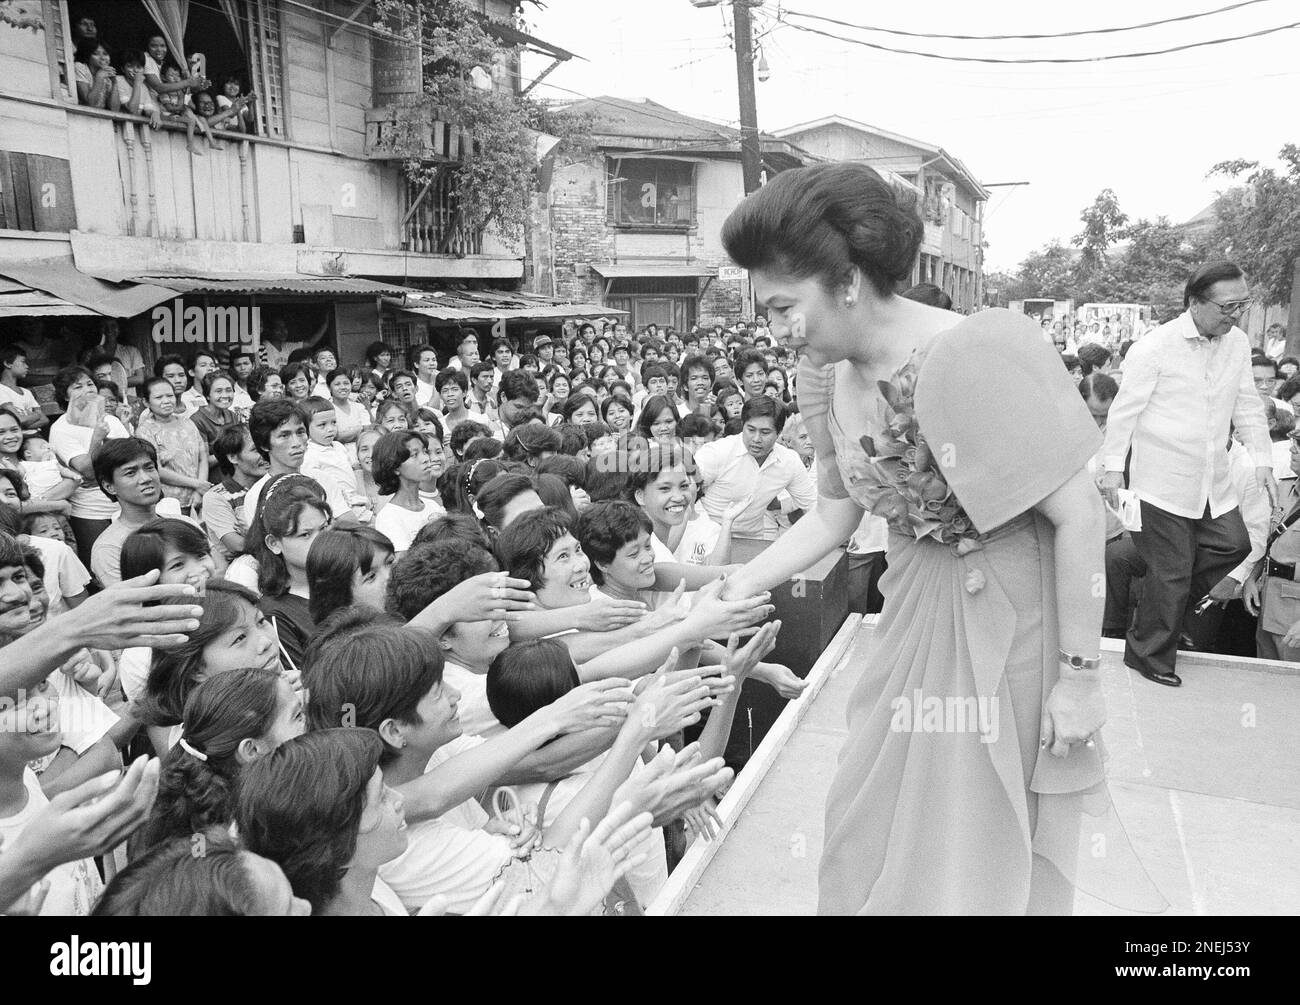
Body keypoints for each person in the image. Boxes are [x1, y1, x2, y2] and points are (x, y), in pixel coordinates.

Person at [717, 161, 1154, 915]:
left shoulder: (979, 353)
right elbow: (832, 515)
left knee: (980, 835)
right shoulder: (826, 379)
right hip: (911, 623)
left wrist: (1081, 679)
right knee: (864, 823)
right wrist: (739, 583)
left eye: (785, 306)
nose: (776, 330)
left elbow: (1079, 514)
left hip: (1010, 635)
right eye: (766, 311)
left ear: (847, 280)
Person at [1100, 262, 1274, 688]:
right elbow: (1124, 414)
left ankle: (1157, 614)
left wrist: (1264, 460)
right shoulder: (1155, 347)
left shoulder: (1236, 344)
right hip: (1161, 482)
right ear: (1195, 303)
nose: (1236, 313)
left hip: (1213, 482)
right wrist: (1111, 471)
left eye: (1242, 304)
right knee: (1172, 572)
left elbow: (1248, 405)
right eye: (1228, 305)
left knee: (1234, 544)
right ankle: (1149, 655)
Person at [692, 396, 815, 538]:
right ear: (743, 425)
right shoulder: (716, 452)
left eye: (765, 432)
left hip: (751, 539)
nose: (756, 439)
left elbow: (811, 505)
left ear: (779, 432)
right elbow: (687, 493)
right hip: (706, 535)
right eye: (751, 430)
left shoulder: (789, 461)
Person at [48, 367, 130, 566]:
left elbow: (129, 457)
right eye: (78, 386)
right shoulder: (61, 428)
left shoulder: (112, 420)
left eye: (90, 383)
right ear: (65, 397)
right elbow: (88, 470)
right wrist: (97, 438)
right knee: (100, 568)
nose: (87, 389)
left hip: (126, 505)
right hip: (90, 512)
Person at [250, 475, 331, 668]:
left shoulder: (346, 581)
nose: (320, 541)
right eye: (305, 534)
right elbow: (302, 685)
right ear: (274, 543)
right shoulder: (274, 614)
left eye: (324, 529)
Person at [134, 376, 210, 515]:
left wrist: (200, 489)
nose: (166, 401)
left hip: (199, 497)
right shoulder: (145, 431)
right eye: (159, 397)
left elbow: (202, 458)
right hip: (170, 504)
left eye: (170, 395)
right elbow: (157, 469)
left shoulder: (188, 423)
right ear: (146, 402)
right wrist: (196, 484)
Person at [201, 424, 267, 562]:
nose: (265, 454)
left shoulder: (271, 484)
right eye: (255, 450)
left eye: (265, 447)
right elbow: (237, 545)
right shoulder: (216, 497)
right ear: (233, 457)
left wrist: (251, 536)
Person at [372, 431, 440, 553]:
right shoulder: (389, 517)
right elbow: (405, 564)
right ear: (395, 467)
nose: (425, 459)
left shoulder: (433, 506)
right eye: (414, 455)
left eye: (424, 452)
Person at [0, 346, 48, 431]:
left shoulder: (26, 392)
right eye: (23, 362)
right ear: (8, 363)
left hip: (35, 436)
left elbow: (44, 420)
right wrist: (36, 415)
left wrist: (19, 425)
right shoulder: (1, 390)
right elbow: (18, 420)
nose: (27, 366)